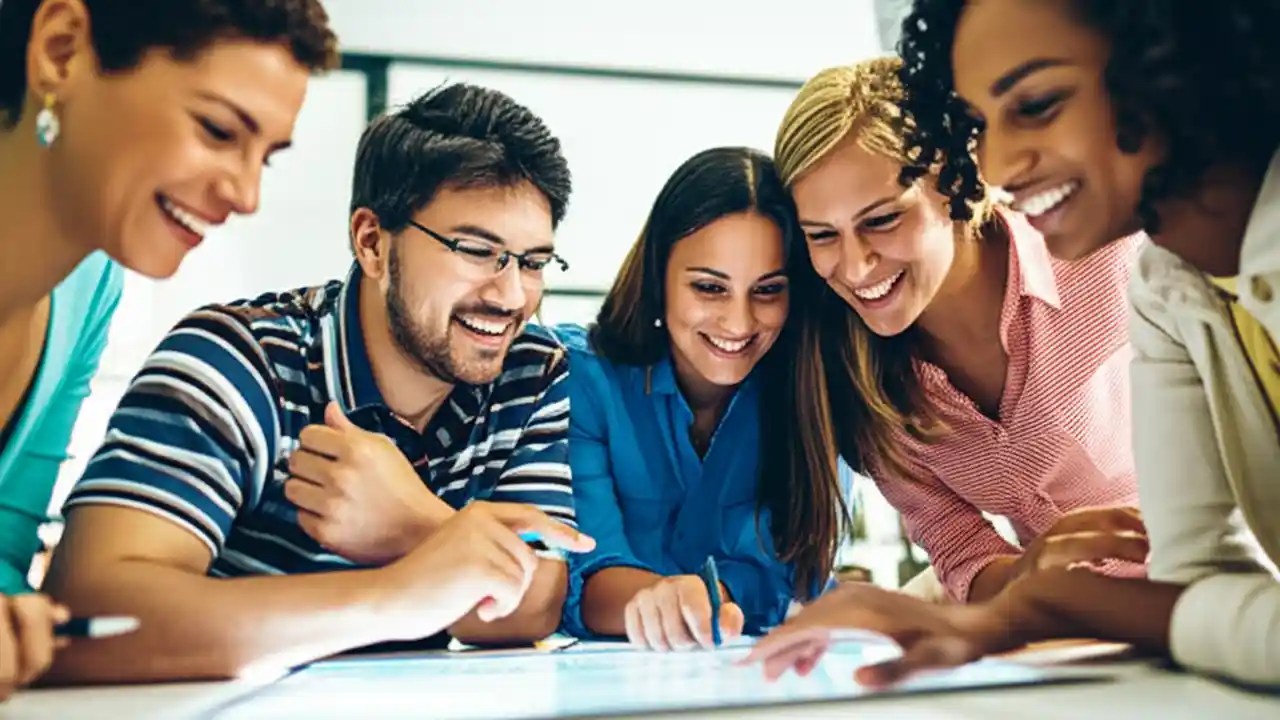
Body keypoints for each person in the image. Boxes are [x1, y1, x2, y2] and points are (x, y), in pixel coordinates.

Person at [746, 0, 1280, 689]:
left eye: (1037, 103)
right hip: (1121, 649)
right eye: (979, 125)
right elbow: (1200, 588)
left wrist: (1025, 610)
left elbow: (1207, 598)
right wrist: (1016, 608)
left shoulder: (1122, 267)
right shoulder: (1168, 287)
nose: (994, 163)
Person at [40, 82, 595, 685]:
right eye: (475, 250)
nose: (511, 295)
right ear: (372, 242)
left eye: (533, 262)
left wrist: (411, 523)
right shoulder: (239, 360)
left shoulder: (528, 367)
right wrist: (396, 592)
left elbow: (537, 604)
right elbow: (89, 615)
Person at [0, 0, 336, 698]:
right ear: (61, 51)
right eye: (217, 130)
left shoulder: (89, 287)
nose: (246, 195)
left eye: (265, 157)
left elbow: (6, 556)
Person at [771, 56, 1145, 607]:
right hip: (1076, 632)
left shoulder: (1105, 256)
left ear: (952, 181)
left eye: (881, 220)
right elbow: (960, 550)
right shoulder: (864, 381)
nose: (854, 267)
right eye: (822, 236)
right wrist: (1032, 578)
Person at [555, 147, 851, 650]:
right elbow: (584, 572)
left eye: (767, 291)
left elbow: (790, 571)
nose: (738, 323)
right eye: (710, 288)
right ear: (658, 278)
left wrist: (710, 598)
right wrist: (677, 602)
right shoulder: (581, 379)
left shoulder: (812, 391)